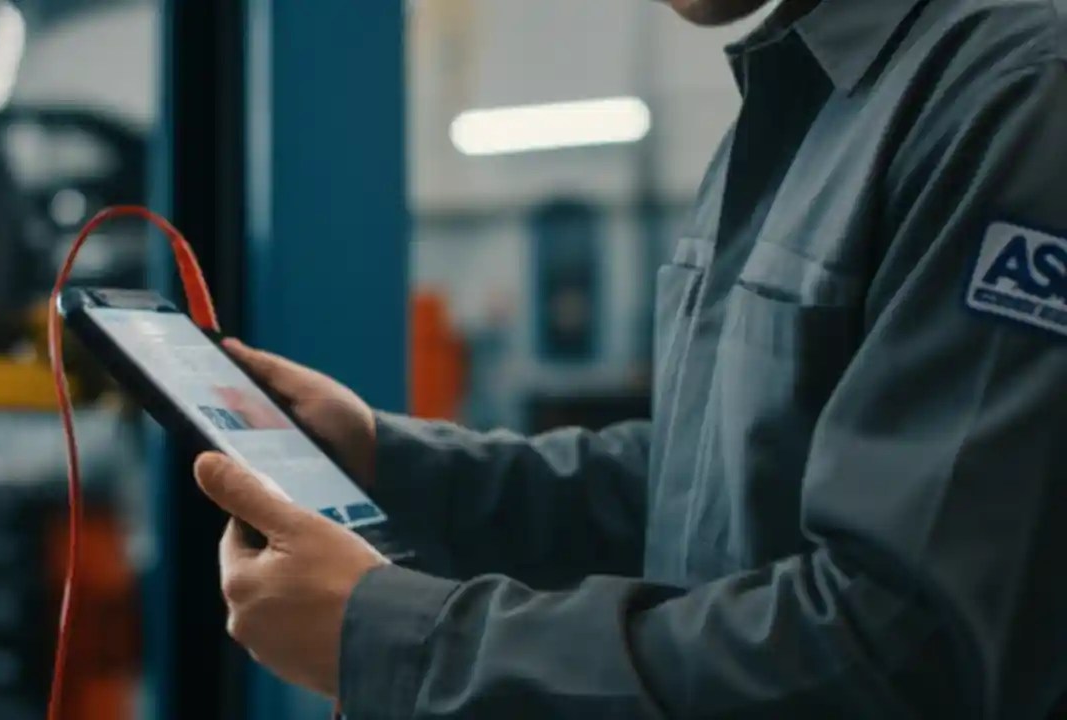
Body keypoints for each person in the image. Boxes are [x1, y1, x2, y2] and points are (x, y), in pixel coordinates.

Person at [193, 0, 1067, 716]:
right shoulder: (804, 100)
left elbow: (897, 650)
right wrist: (393, 463)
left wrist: (405, 639)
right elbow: (700, 489)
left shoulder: (1014, 100)